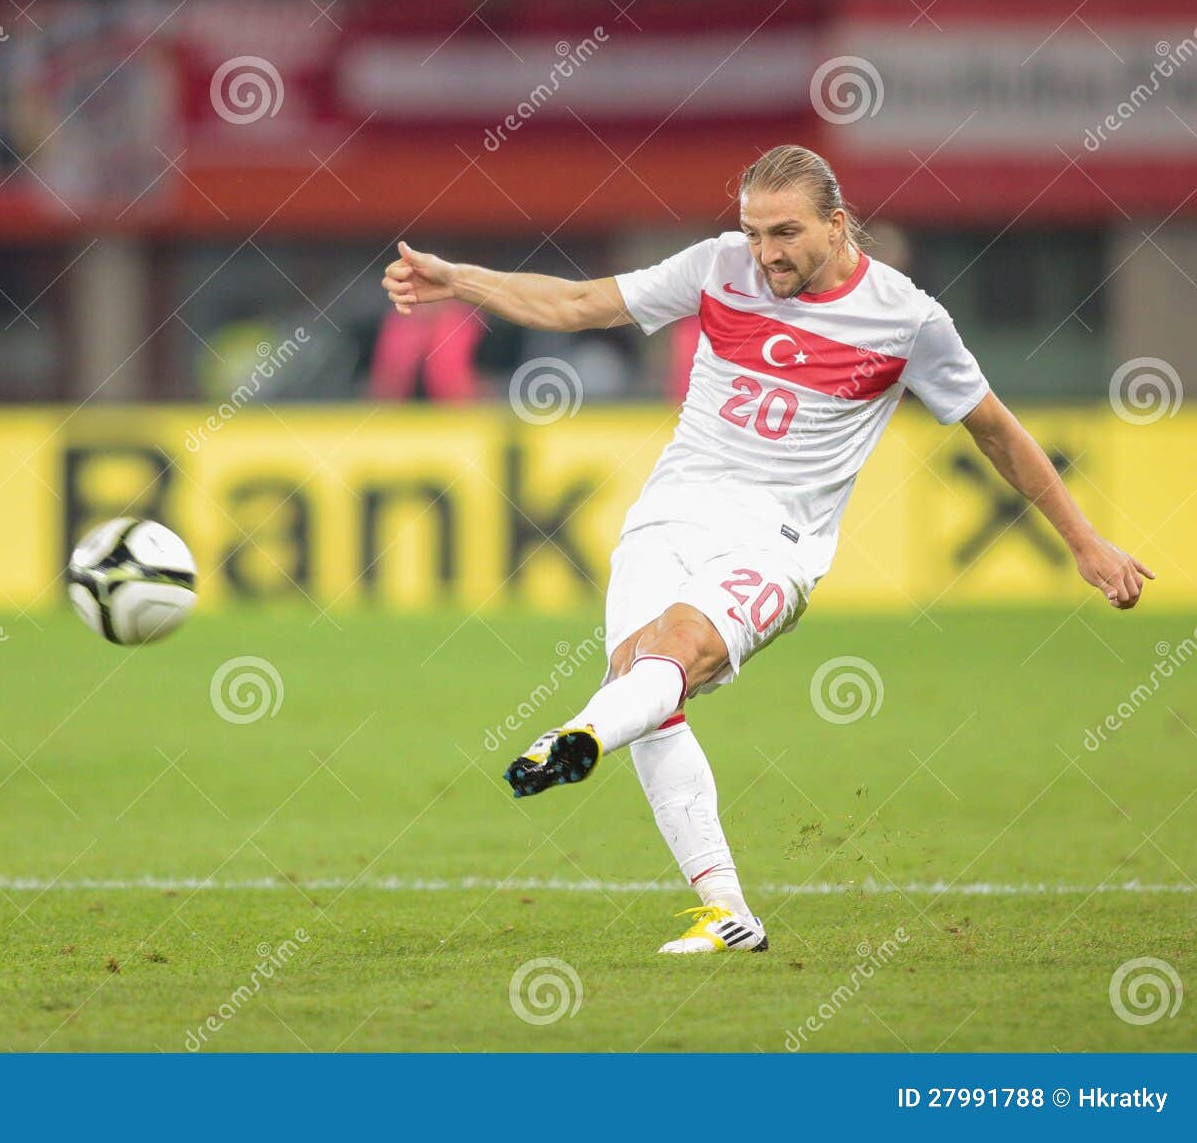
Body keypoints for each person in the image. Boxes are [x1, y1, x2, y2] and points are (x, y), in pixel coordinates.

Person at [382, 144, 1152, 955]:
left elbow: (994, 429)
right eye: (753, 232)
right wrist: (459, 279)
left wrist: (1083, 540)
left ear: (837, 223)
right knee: (646, 693)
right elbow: (578, 304)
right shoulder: (719, 267)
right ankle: (725, 913)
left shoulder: (908, 319)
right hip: (667, 518)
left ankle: (576, 737)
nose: (765, 253)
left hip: (776, 543)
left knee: (671, 655)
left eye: (784, 233)